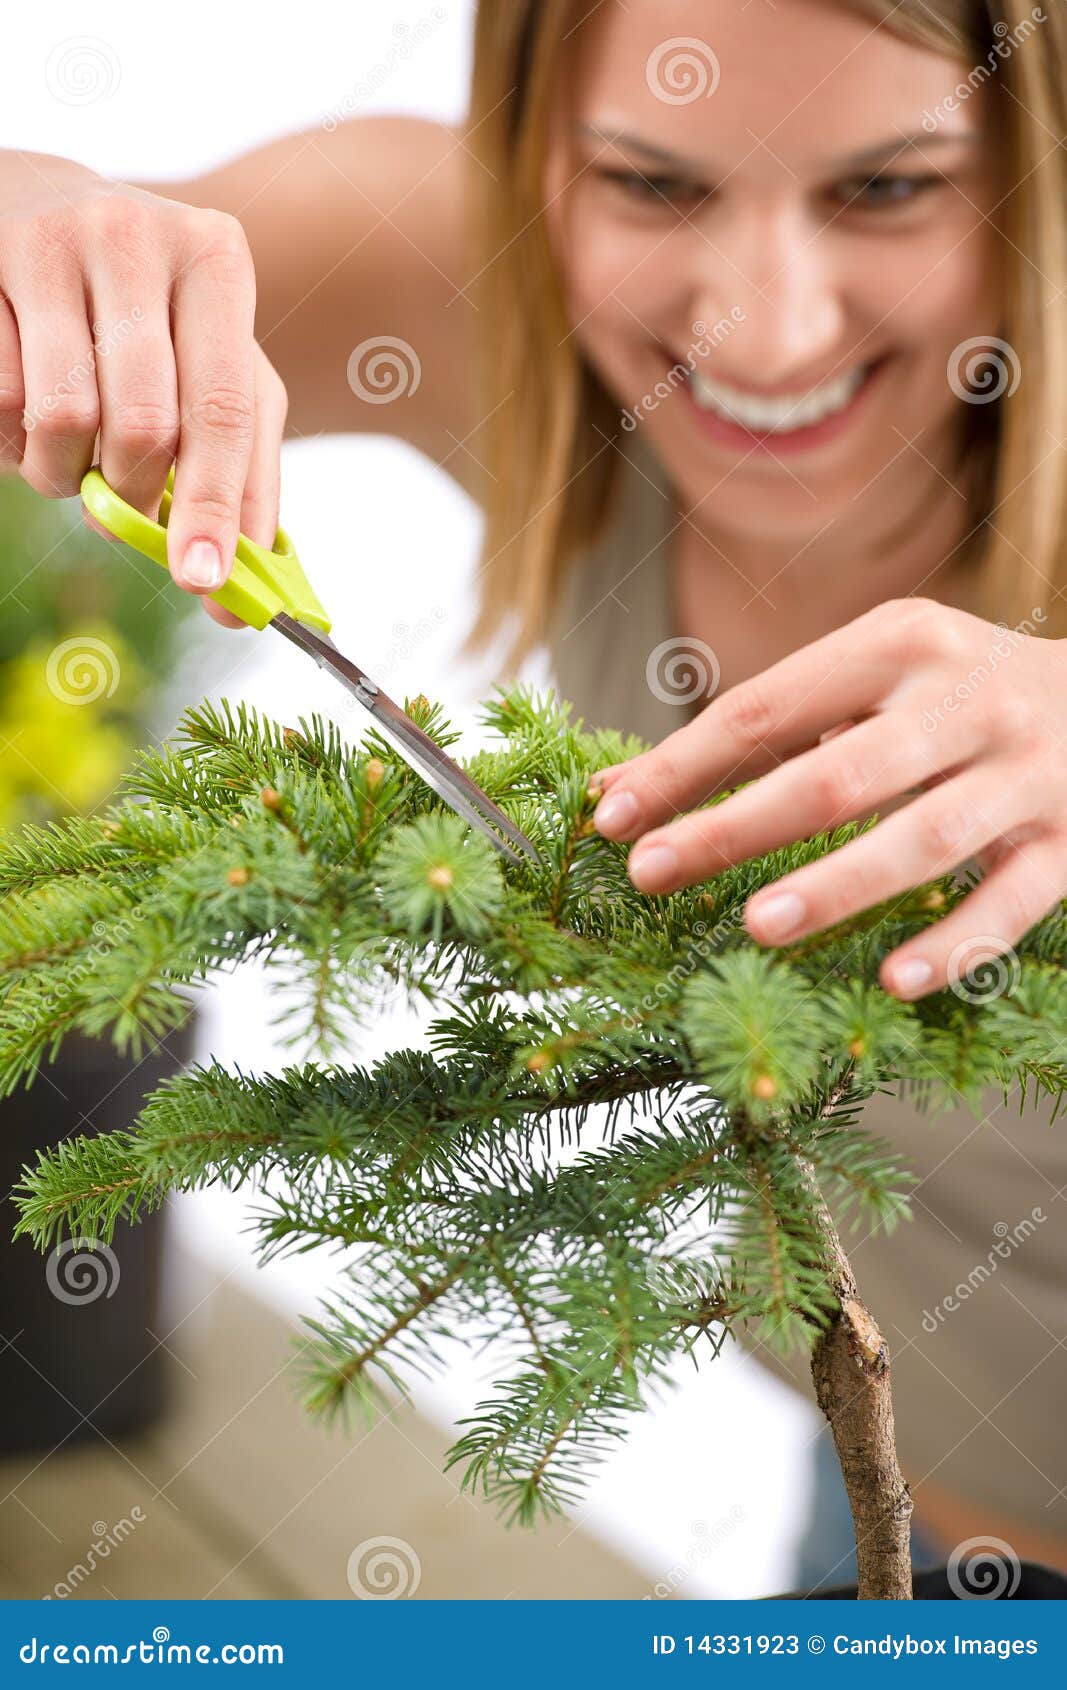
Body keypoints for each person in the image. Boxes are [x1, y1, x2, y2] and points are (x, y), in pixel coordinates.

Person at [2, 0, 1065, 1582]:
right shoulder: (471, 277)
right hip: (888, 1500)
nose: (767, 330)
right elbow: (68, 282)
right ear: (527, 151)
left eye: (889, 187)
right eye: (652, 182)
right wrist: (36, 214)